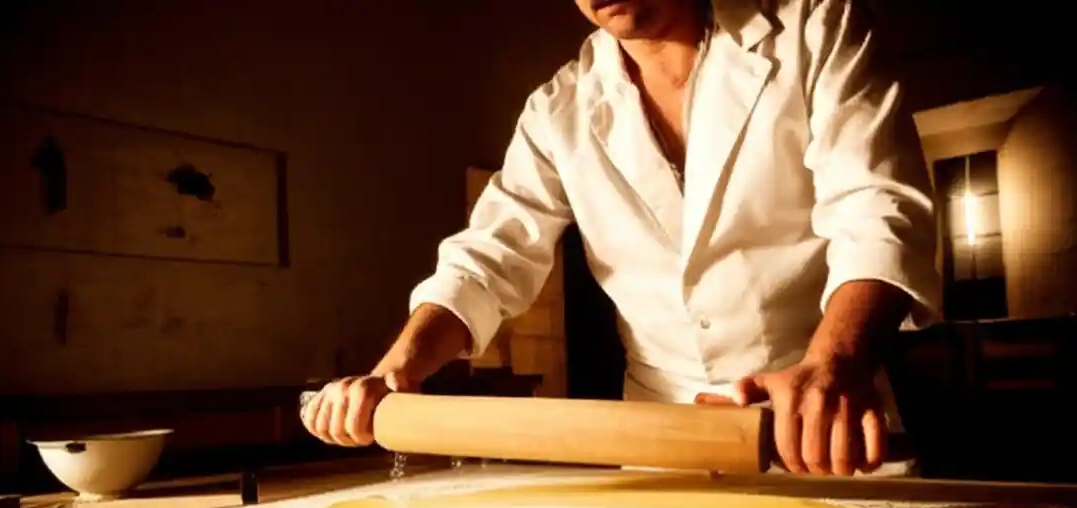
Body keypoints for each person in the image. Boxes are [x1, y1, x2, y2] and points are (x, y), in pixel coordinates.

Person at [301, 0, 940, 477]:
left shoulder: (816, 31)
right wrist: (396, 370)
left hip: (821, 428)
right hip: (660, 444)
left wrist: (832, 365)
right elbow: (491, 256)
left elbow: (876, 208)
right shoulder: (559, 109)